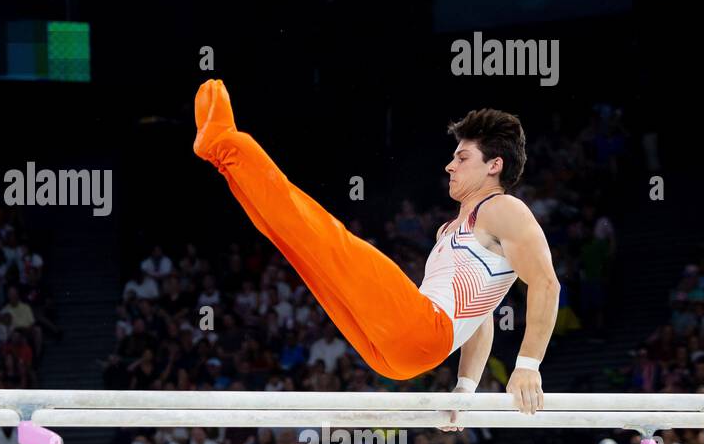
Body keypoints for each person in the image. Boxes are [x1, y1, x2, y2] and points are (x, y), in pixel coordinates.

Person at [192, 79, 554, 412]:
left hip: (422, 332)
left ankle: (226, 143)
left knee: (326, 238)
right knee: (300, 248)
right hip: (396, 355)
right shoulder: (449, 230)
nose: (449, 166)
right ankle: (226, 162)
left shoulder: (503, 209)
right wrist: (464, 389)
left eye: (462, 158)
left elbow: (546, 283)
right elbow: (481, 315)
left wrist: (527, 366)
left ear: (494, 165)